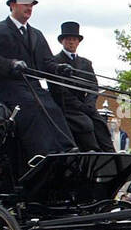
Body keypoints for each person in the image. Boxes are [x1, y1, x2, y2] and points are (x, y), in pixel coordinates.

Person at [0, 0, 76, 161]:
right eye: (25, 4)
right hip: (9, 88)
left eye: (31, 5)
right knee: (33, 107)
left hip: (33, 88)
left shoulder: (36, 35)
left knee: (53, 107)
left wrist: (59, 68)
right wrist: (10, 64)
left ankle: (67, 151)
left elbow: (47, 63)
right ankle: (40, 156)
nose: (29, 8)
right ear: (12, 5)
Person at [49, 21, 115, 152]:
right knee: (85, 124)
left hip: (86, 106)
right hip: (67, 107)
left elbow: (93, 86)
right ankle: (92, 152)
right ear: (62, 41)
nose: (71, 42)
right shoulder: (55, 62)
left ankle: (110, 154)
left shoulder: (86, 63)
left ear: (78, 42)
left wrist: (89, 104)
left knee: (100, 124)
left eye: (74, 39)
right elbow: (58, 90)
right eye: (68, 39)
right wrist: (80, 106)